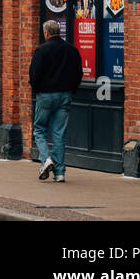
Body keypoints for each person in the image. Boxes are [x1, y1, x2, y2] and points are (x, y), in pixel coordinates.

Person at [29, 19, 83, 183]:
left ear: (46, 33)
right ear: (58, 32)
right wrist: (71, 90)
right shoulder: (72, 50)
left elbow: (34, 75)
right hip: (65, 95)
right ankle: (60, 173)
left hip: (45, 95)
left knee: (39, 130)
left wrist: (37, 90)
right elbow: (78, 73)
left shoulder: (41, 50)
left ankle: (46, 160)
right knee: (59, 134)